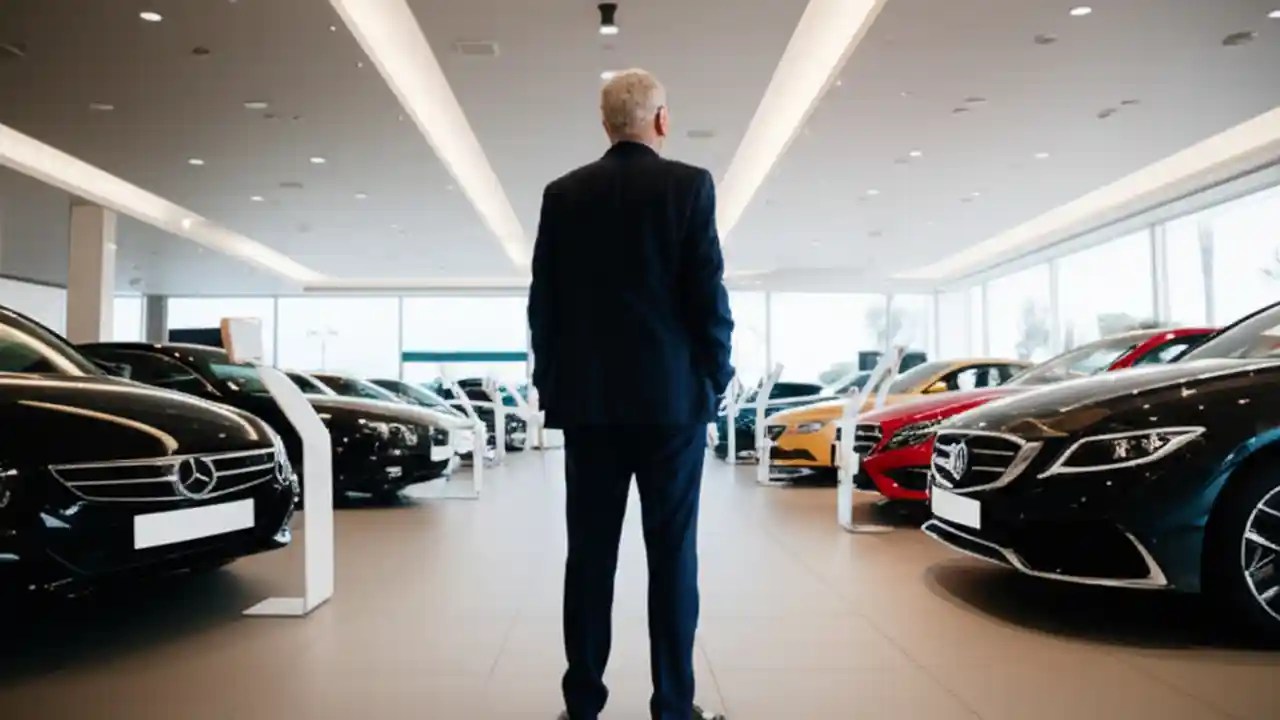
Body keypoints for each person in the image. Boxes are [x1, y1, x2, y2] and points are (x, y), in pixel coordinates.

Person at [528, 68, 734, 720]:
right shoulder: (689, 187)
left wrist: (552, 385)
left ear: (605, 123)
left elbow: (544, 307)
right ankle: (673, 707)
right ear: (662, 120)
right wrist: (714, 379)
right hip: (672, 407)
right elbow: (709, 301)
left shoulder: (563, 194)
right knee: (673, 559)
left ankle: (582, 705)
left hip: (589, 408)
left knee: (589, 558)